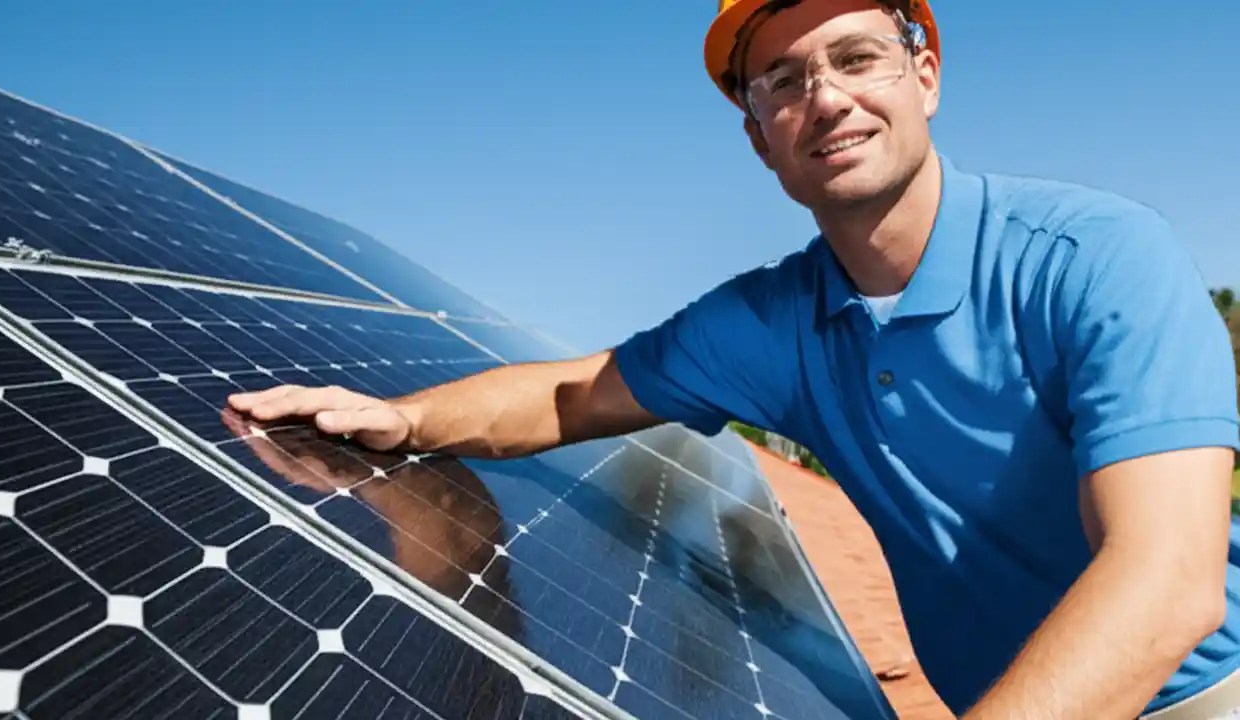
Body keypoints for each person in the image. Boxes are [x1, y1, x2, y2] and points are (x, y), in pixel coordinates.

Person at [227, 0, 1240, 717]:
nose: (827, 98)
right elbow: (569, 395)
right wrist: (404, 420)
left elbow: (1166, 578)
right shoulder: (772, 323)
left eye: (855, 58)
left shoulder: (1091, 256)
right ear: (759, 136)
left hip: (1195, 694)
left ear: (922, 74)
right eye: (785, 81)